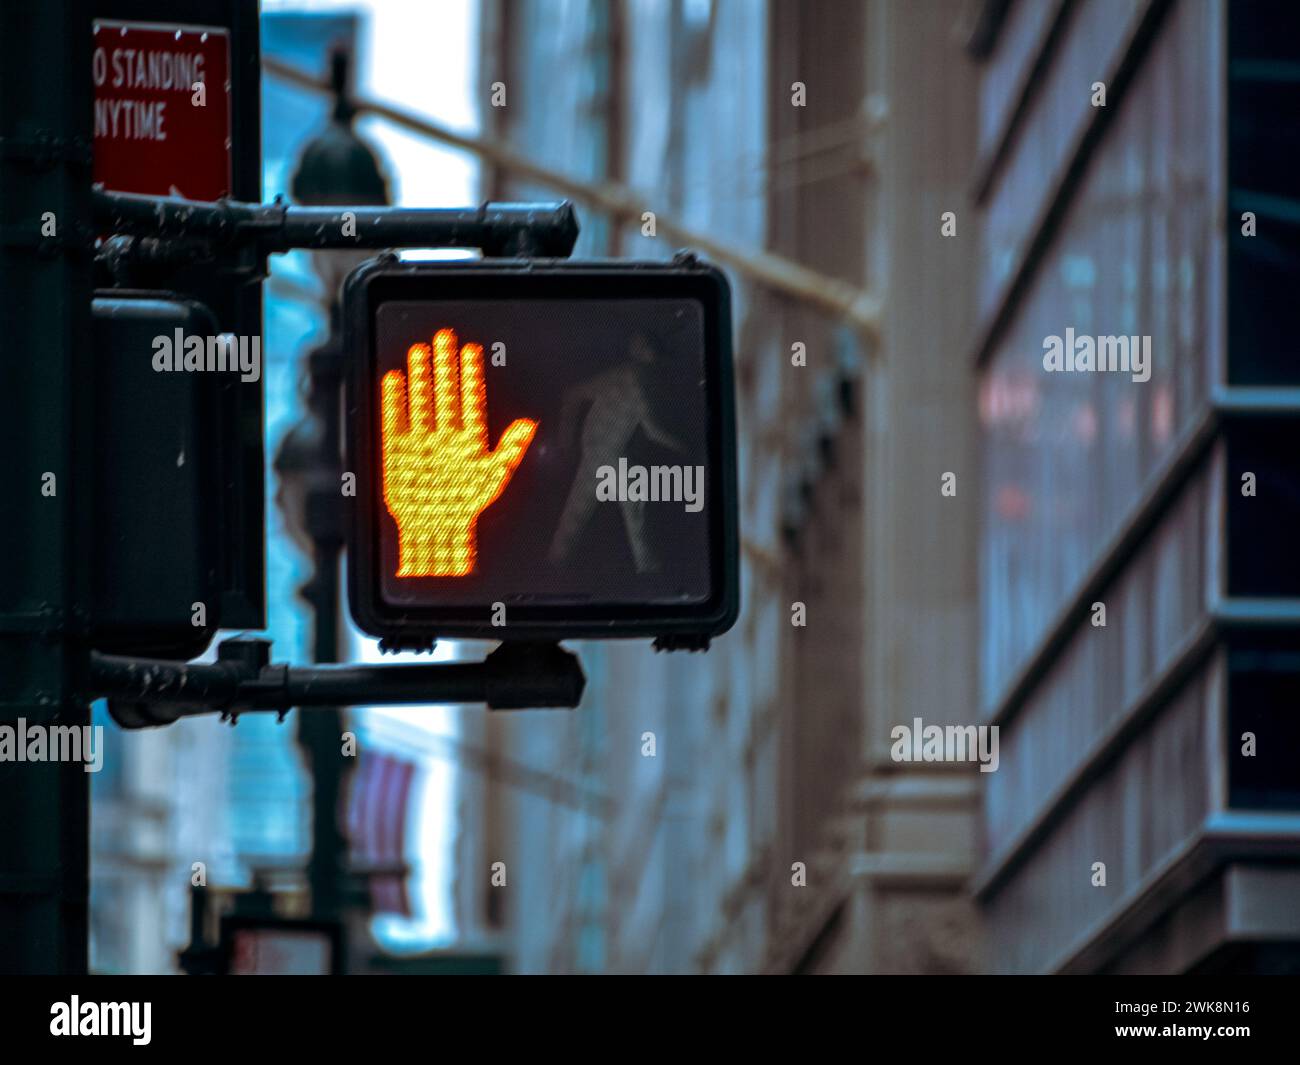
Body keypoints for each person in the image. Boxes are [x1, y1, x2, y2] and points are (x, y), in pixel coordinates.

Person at [548, 330, 685, 572]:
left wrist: (566, 439)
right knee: (632, 511)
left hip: (597, 451)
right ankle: (648, 571)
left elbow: (573, 394)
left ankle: (554, 565)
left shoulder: (622, 375)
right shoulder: (636, 379)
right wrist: (686, 450)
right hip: (605, 454)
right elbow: (652, 430)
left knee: (577, 517)